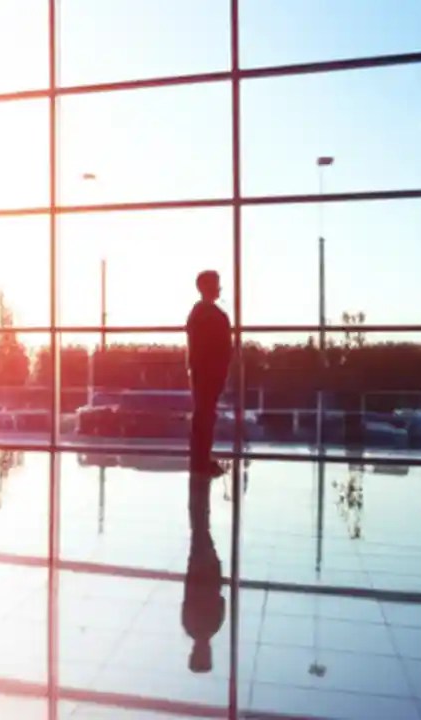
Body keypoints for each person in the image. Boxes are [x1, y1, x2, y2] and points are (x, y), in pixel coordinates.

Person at [185, 270, 231, 477]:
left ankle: (200, 460)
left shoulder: (198, 315)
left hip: (201, 371)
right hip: (209, 373)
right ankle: (202, 460)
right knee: (205, 416)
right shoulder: (215, 316)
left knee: (202, 416)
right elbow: (223, 348)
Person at [182, 472, 226, 673]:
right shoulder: (191, 626)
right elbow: (187, 597)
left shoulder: (213, 626)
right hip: (198, 572)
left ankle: (200, 488)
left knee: (201, 531)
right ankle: (199, 489)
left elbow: (220, 601)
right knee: (200, 530)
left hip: (207, 575)